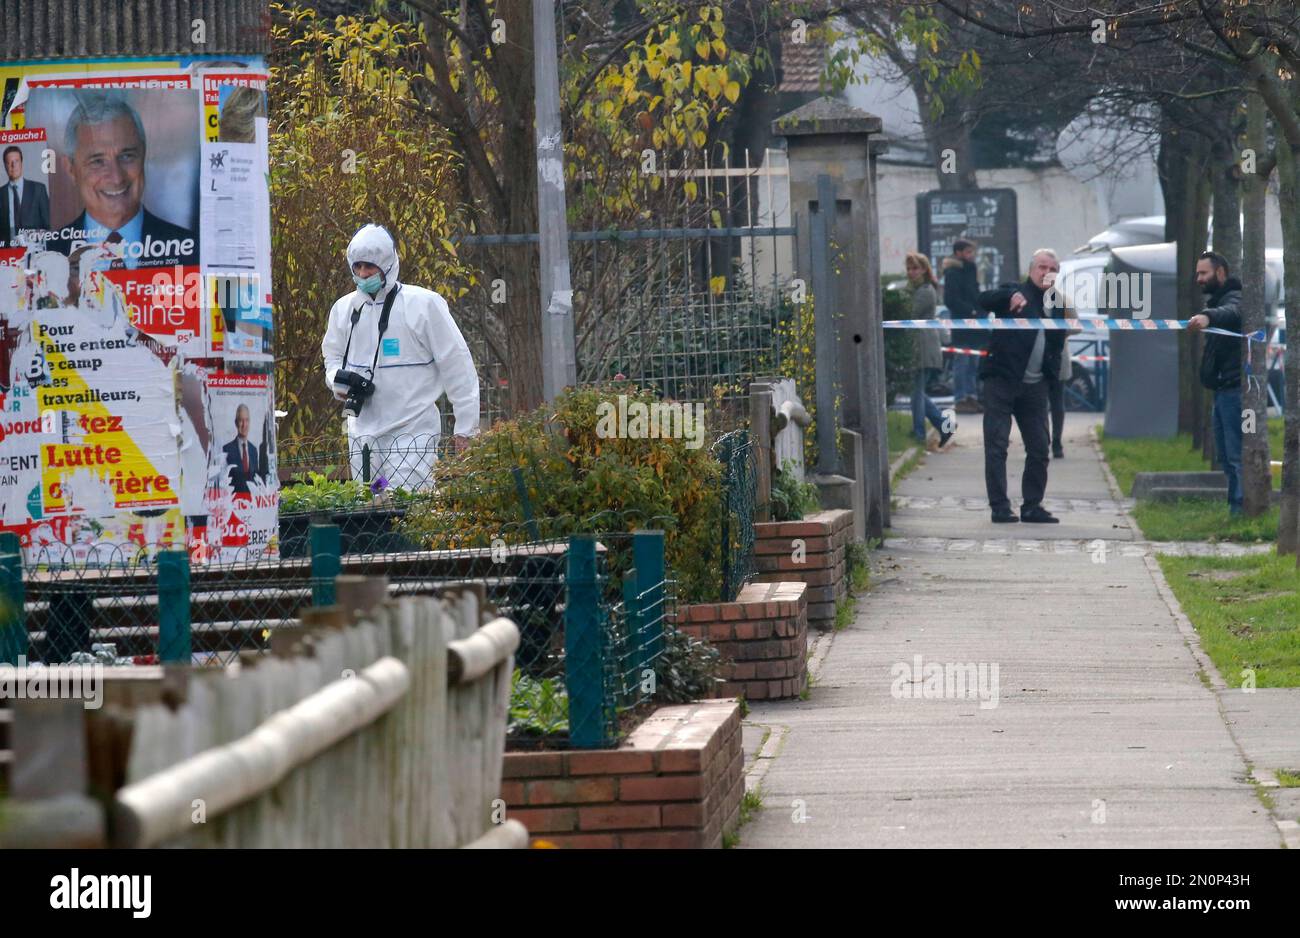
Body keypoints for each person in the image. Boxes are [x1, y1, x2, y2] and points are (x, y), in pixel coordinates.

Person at [321, 223, 480, 491]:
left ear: (387, 265)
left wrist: (466, 427)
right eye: (357, 267)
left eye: (370, 267)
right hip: (364, 436)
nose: (363, 274)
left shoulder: (423, 305)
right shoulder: (345, 310)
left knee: (408, 507)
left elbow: (457, 366)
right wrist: (338, 380)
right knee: (370, 511)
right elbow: (332, 356)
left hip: (412, 432)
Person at [48, 93, 198, 268]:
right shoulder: (47, 256)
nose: (117, 177)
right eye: (97, 161)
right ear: (71, 169)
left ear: (143, 155)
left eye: (127, 156)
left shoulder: (191, 250)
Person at [976, 249, 1066, 524]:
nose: (1046, 272)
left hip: (1035, 386)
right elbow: (983, 299)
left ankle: (1032, 505)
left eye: (1052, 268)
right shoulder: (1014, 292)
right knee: (997, 445)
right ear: (1031, 270)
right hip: (1002, 380)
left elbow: (1057, 343)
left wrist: (1052, 378)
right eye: (1041, 266)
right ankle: (999, 506)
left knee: (1040, 447)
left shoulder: (1056, 303)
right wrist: (1007, 297)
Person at [1186, 251, 1244, 515]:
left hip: (1236, 391)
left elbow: (1232, 312)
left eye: (1203, 273)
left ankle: (1241, 509)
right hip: (1222, 391)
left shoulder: (1235, 296)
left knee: (1236, 454)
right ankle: (1235, 509)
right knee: (1225, 455)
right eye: (1197, 273)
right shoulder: (1220, 298)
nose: (1199, 279)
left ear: (1220, 273)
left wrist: (1208, 316)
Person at [906, 251, 954, 449]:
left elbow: (910, 312)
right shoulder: (917, 288)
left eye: (915, 268)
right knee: (916, 391)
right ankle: (944, 424)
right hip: (919, 346)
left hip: (924, 346)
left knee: (916, 391)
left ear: (924, 270)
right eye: (909, 268)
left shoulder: (925, 291)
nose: (911, 272)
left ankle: (919, 433)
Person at [942, 238, 984, 414]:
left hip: (975, 325)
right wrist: (971, 311)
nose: (972, 255)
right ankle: (960, 398)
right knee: (962, 361)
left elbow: (975, 293)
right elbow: (951, 300)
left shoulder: (972, 270)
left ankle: (972, 397)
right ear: (958, 253)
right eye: (968, 252)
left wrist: (981, 310)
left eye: (972, 252)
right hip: (961, 324)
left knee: (973, 361)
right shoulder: (952, 272)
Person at [2, 146, 50, 247]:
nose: (13, 165)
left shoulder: (39, 189)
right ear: (5, 165)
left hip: (35, 251)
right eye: (9, 162)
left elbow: (48, 225)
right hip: (7, 253)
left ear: (21, 163)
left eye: (16, 161)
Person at [223, 403, 264, 494]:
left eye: (247, 420)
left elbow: (256, 478)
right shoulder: (227, 449)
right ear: (236, 423)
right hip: (234, 503)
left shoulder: (253, 450)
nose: (244, 425)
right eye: (241, 420)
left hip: (252, 503)